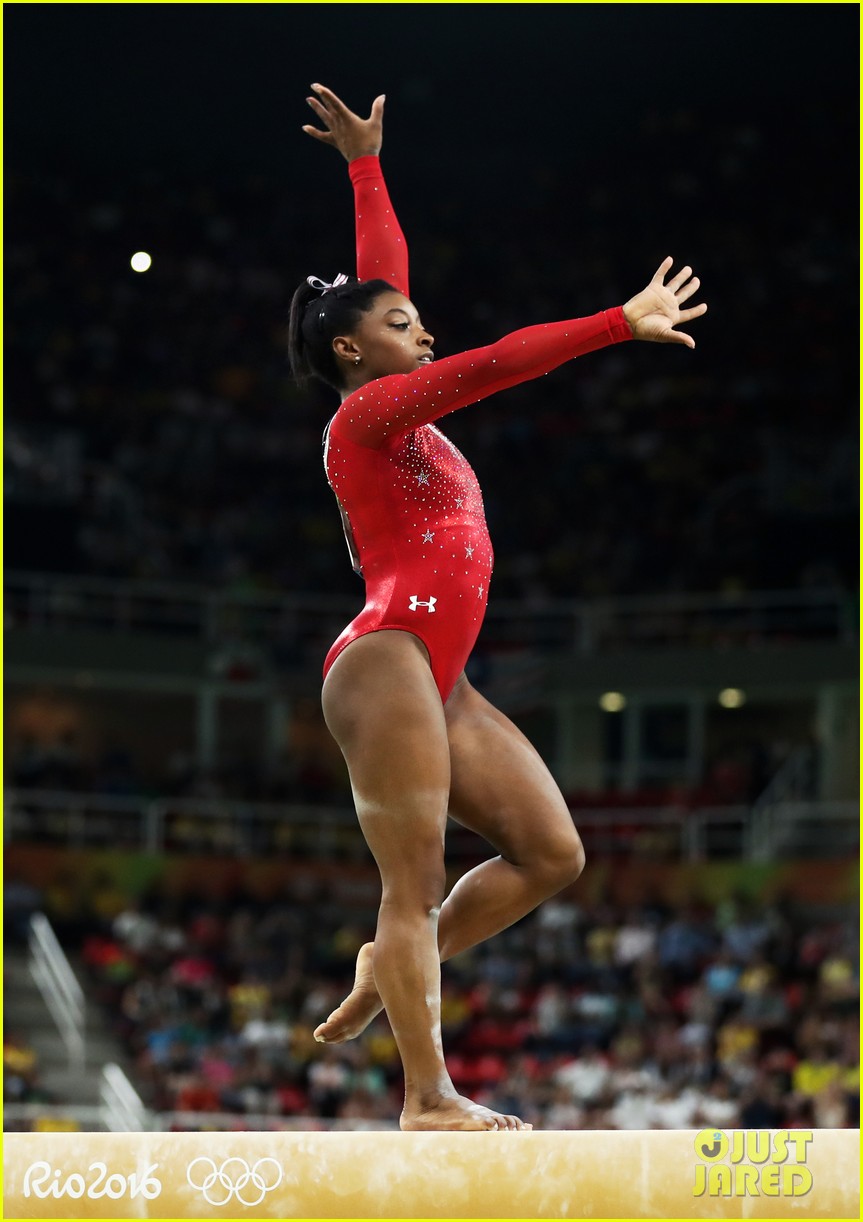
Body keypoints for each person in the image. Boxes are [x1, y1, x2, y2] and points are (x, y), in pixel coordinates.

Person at [289, 84, 707, 1131]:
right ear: (351, 350)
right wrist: (616, 321)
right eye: (398, 323)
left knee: (550, 853)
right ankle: (425, 1095)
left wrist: (364, 166)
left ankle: (392, 963)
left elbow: (381, 275)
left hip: (443, 675)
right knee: (416, 875)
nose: (419, 326)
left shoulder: (389, 392)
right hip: (384, 656)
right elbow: (495, 362)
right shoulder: (368, 419)